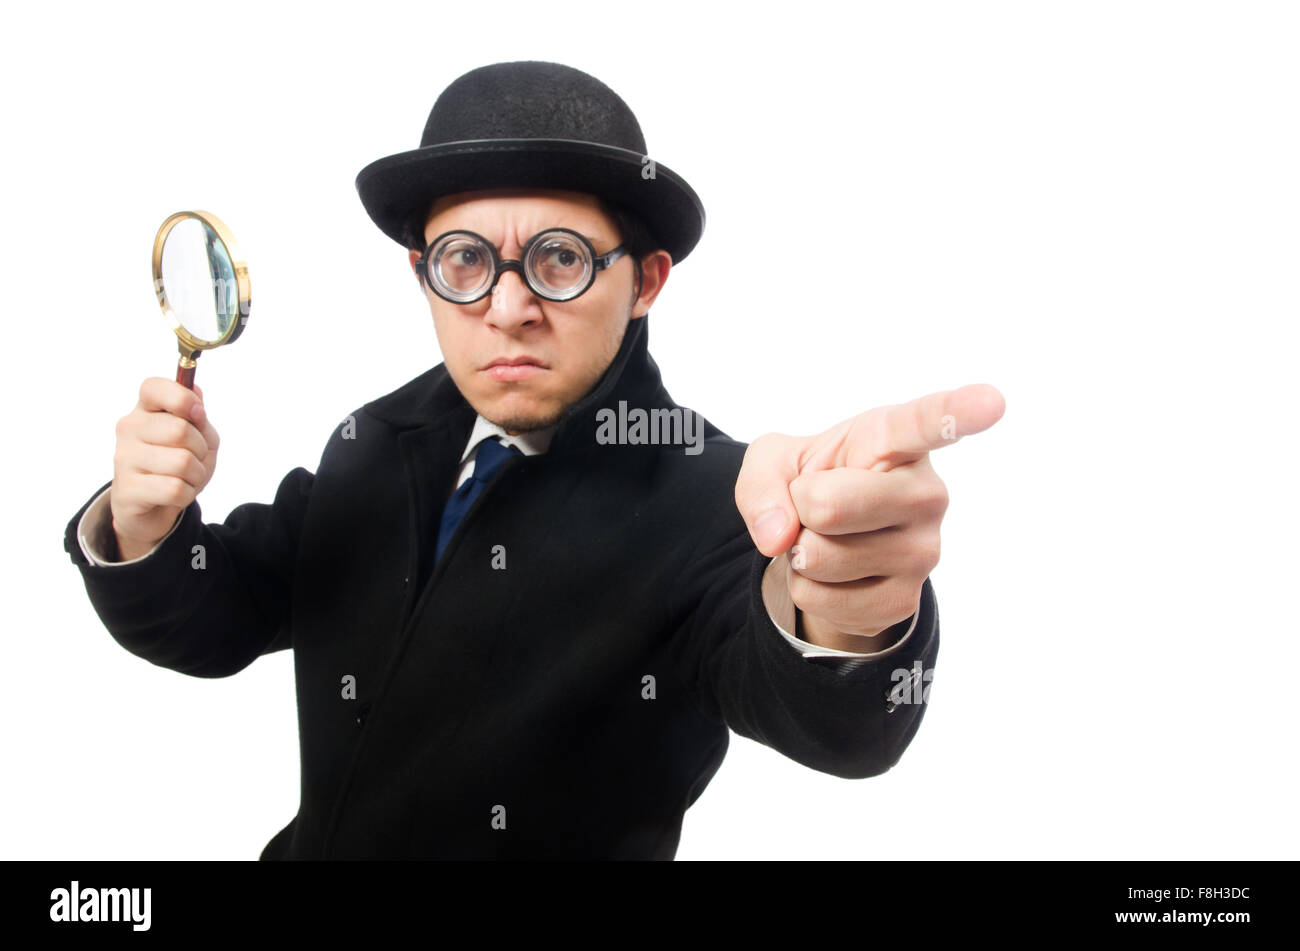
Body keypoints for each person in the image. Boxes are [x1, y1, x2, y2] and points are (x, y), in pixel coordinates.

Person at [62, 60, 1004, 859]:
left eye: (558, 259)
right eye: (465, 260)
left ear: (646, 279)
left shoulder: (717, 501)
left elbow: (840, 723)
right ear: (423, 274)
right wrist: (142, 525)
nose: (507, 308)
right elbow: (215, 618)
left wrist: (845, 608)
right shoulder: (370, 443)